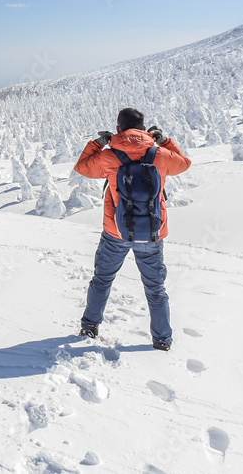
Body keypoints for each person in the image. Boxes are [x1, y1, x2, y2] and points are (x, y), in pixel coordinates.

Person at [73, 107, 192, 351]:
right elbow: (184, 164)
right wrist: (165, 141)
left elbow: (82, 168)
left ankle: (90, 326)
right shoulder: (160, 154)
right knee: (156, 289)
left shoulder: (109, 155)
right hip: (151, 233)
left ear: (118, 129)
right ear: (143, 127)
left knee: (103, 279)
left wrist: (97, 143)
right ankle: (162, 340)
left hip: (115, 231)